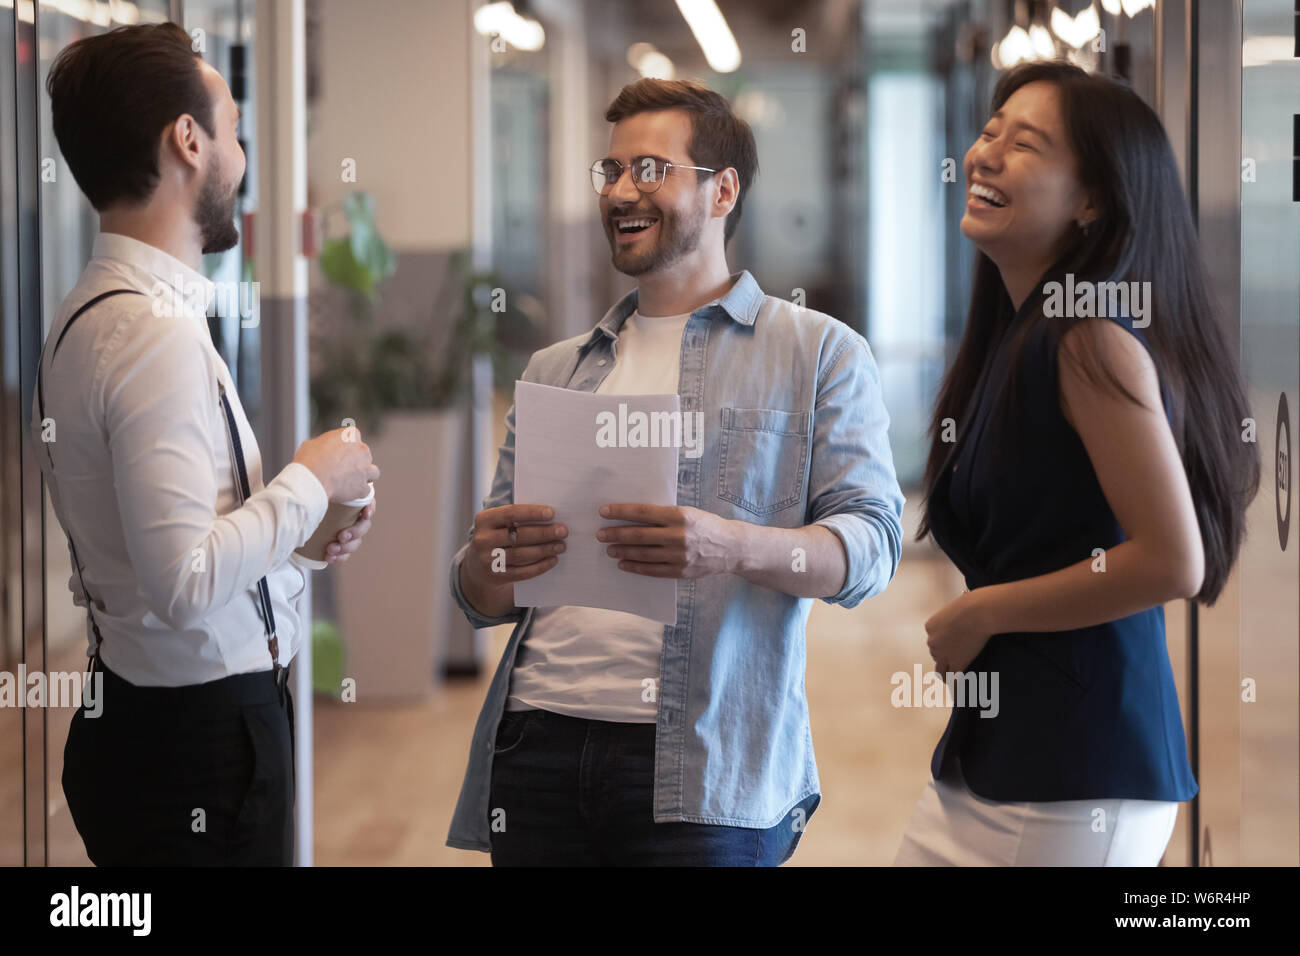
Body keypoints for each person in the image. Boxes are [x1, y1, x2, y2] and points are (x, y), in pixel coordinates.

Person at [446, 78, 905, 865]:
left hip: (705, 767)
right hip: (537, 748)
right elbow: (479, 592)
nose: (622, 191)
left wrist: (730, 546)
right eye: (612, 171)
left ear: (722, 190)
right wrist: (492, 561)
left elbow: (871, 550)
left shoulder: (818, 352)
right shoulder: (558, 369)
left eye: (651, 169)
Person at [896, 61, 1259, 866]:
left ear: (1091, 201)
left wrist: (983, 611)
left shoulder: (1088, 339)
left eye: (1024, 144)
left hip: (1072, 781)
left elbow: (1171, 562)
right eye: (989, 131)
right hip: (1012, 767)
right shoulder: (1023, 335)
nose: (985, 154)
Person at [35, 22, 380, 866]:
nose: (243, 154)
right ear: (186, 141)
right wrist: (308, 477)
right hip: (198, 751)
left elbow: (170, 556)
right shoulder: (150, 333)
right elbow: (184, 583)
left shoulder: (96, 314)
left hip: (156, 726)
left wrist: (294, 545)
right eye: (232, 128)